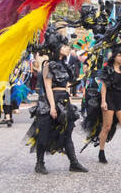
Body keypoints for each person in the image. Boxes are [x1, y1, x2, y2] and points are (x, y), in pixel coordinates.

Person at [27, 34, 88, 174]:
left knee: (67, 132)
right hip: (51, 100)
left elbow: (66, 84)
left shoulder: (65, 65)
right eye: (64, 46)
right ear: (57, 48)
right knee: (44, 132)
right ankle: (39, 163)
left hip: (64, 99)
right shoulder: (48, 65)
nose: (67, 48)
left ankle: (74, 163)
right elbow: (48, 87)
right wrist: (53, 107)